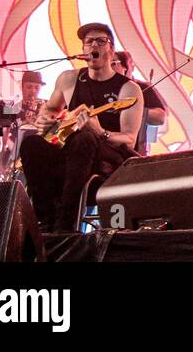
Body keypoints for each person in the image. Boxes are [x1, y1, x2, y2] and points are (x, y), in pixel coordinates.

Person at [20, 23, 143, 232]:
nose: (94, 44)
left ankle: (66, 225)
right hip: (70, 150)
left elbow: (129, 139)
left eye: (101, 41)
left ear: (111, 50)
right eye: (89, 42)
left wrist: (100, 132)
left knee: (84, 136)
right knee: (31, 144)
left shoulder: (128, 89)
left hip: (109, 155)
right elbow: (49, 110)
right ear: (84, 51)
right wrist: (45, 121)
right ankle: (45, 221)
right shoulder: (68, 79)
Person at [112, 51, 167, 155]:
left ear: (127, 67)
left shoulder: (141, 88)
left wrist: (134, 111)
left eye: (113, 63)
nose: (109, 68)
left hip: (133, 151)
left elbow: (160, 117)